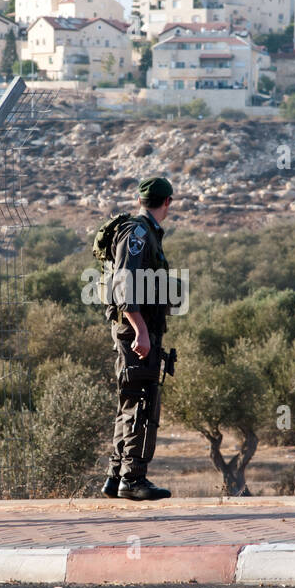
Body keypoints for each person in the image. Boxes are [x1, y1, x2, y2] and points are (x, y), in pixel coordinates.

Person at [103, 175, 176, 501]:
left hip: (139, 329)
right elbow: (123, 284)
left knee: (131, 400)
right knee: (141, 402)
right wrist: (142, 331)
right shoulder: (138, 234)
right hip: (136, 332)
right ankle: (133, 479)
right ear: (167, 202)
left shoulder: (145, 232)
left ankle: (117, 476)